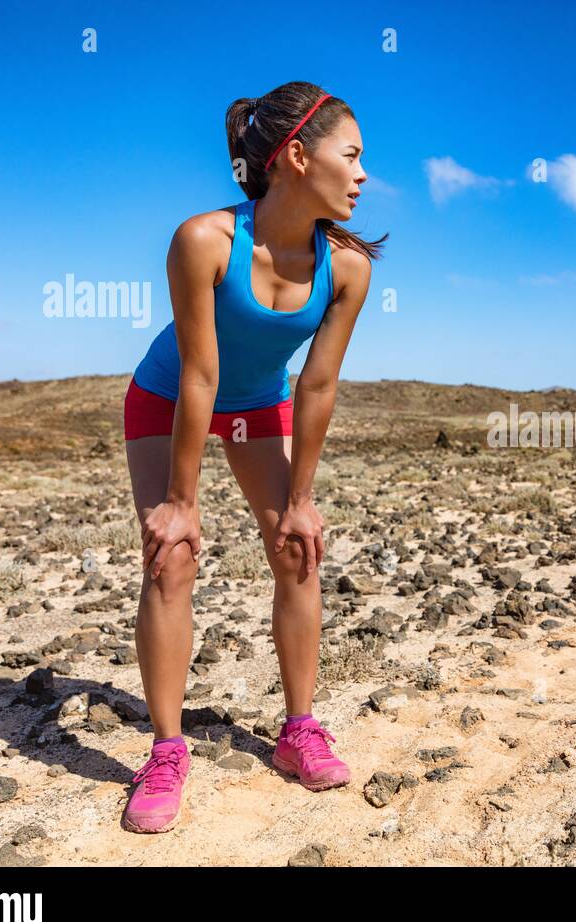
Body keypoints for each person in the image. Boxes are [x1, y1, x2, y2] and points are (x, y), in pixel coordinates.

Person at [118, 81, 385, 833]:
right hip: (169, 399)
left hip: (256, 407)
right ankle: (167, 751)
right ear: (298, 155)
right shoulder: (205, 240)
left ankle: (299, 730)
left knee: (298, 548)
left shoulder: (349, 268)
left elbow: (318, 384)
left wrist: (301, 498)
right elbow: (200, 375)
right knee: (171, 557)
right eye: (353, 155)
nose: (364, 174)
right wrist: (180, 503)